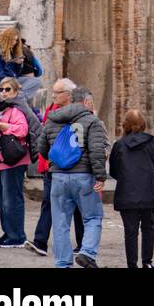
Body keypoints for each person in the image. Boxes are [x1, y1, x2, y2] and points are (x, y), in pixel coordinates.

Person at [38, 78, 107, 269]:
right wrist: (100, 176)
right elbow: (96, 151)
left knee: (60, 222)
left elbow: (41, 149)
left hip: (58, 177)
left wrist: (57, 161)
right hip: (84, 176)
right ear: (85, 102)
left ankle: (62, 263)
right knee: (93, 217)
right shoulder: (91, 120)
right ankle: (87, 252)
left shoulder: (52, 118)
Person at [26, 78, 84, 259]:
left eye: (57, 93)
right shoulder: (51, 111)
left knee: (77, 207)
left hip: (73, 168)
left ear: (67, 95)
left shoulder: (78, 114)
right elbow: (44, 139)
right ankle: (40, 242)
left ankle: (83, 243)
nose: (53, 95)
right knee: (48, 203)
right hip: (52, 167)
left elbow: (81, 141)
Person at [108, 109, 154, 269]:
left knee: (130, 231)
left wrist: (126, 177)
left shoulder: (119, 145)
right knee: (149, 227)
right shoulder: (153, 144)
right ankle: (147, 262)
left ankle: (131, 264)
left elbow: (113, 170)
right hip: (149, 192)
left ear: (125, 125)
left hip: (127, 194)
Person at [0, 76, 31, 248]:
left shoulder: (17, 110)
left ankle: (17, 236)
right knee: (1, 199)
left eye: (7, 89)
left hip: (13, 161)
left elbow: (22, 130)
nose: (3, 92)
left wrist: (3, 126)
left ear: (16, 91)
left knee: (12, 199)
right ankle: (8, 233)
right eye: (1, 89)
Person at [0, 27, 42, 103]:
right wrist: (15, 84)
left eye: (16, 40)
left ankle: (17, 99)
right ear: (6, 39)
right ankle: (18, 100)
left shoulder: (11, 51)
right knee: (14, 91)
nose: (14, 42)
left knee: (36, 82)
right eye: (12, 40)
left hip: (11, 82)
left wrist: (18, 64)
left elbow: (16, 73)